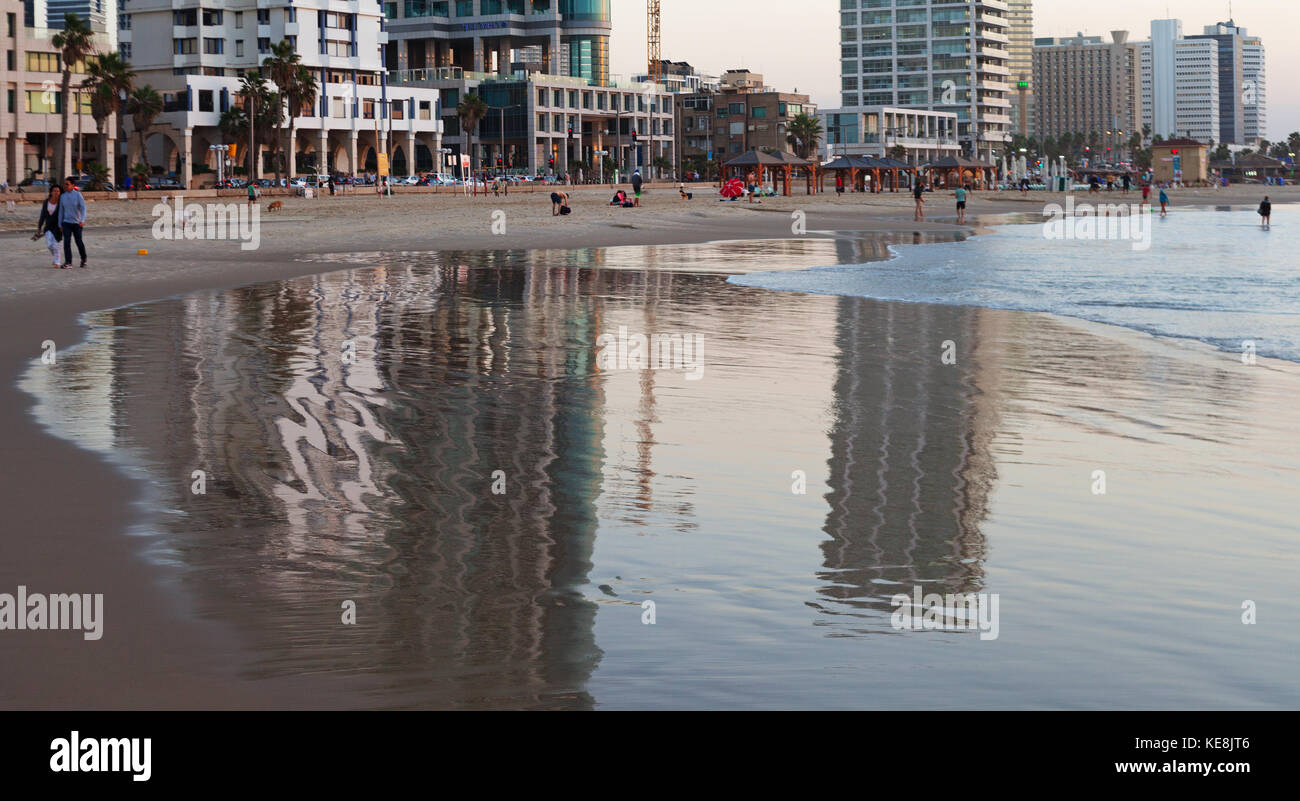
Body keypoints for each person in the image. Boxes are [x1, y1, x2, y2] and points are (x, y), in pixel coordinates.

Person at [58, 176, 87, 268]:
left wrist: (82, 220)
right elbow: (61, 211)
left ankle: (83, 259)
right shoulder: (62, 196)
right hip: (66, 222)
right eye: (65, 184)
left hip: (77, 223)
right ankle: (68, 262)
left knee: (78, 242)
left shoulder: (78, 195)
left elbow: (83, 208)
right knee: (66, 242)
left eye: (67, 184)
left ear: (73, 185)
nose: (65, 186)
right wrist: (60, 223)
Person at [34, 185, 64, 268]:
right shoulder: (46, 202)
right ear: (51, 192)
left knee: (56, 245)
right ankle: (56, 258)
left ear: (60, 192)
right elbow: (42, 215)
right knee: (49, 245)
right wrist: (39, 227)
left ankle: (57, 262)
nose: (56, 192)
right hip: (48, 227)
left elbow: (64, 214)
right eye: (54, 191)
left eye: (58, 191)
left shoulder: (62, 202)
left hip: (58, 227)